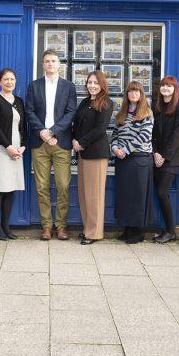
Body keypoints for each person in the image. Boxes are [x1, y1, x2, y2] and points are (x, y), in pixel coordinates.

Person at [25, 49, 77, 241]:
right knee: (42, 186)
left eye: (53, 61)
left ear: (59, 64)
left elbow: (71, 113)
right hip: (39, 143)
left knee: (63, 185)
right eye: (47, 61)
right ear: (43, 64)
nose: (50, 64)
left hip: (61, 142)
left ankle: (61, 226)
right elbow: (29, 112)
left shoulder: (68, 86)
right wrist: (43, 133)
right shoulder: (34, 86)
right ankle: (47, 226)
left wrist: (53, 131)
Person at [72, 71, 114, 245]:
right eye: (90, 82)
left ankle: (95, 233)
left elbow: (100, 129)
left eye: (96, 82)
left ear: (102, 84)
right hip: (83, 153)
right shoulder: (84, 102)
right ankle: (87, 228)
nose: (92, 85)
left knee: (94, 195)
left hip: (96, 154)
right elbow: (77, 124)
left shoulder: (106, 102)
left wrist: (81, 142)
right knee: (84, 193)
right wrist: (74, 140)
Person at [111, 81, 154, 244]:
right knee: (126, 196)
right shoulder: (121, 113)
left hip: (139, 160)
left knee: (138, 196)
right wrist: (115, 147)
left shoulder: (146, 113)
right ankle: (128, 229)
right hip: (123, 161)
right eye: (130, 91)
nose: (133, 94)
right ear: (127, 94)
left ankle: (138, 232)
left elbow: (144, 136)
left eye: (137, 91)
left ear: (141, 94)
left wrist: (125, 150)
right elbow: (115, 133)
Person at [0, 68, 27, 241]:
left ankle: (6, 227)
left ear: (15, 81)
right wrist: (8, 146)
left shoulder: (19, 100)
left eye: (12, 79)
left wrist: (23, 145)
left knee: (10, 189)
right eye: (6, 79)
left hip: (16, 148)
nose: (9, 82)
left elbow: (23, 126)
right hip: (0, 148)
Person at [151, 75, 179, 243]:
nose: (165, 88)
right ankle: (166, 229)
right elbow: (152, 134)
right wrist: (155, 153)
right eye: (163, 86)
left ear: (175, 89)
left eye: (169, 86)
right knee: (159, 193)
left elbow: (178, 136)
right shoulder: (156, 108)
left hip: (172, 159)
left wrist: (164, 156)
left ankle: (171, 231)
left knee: (162, 192)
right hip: (157, 156)